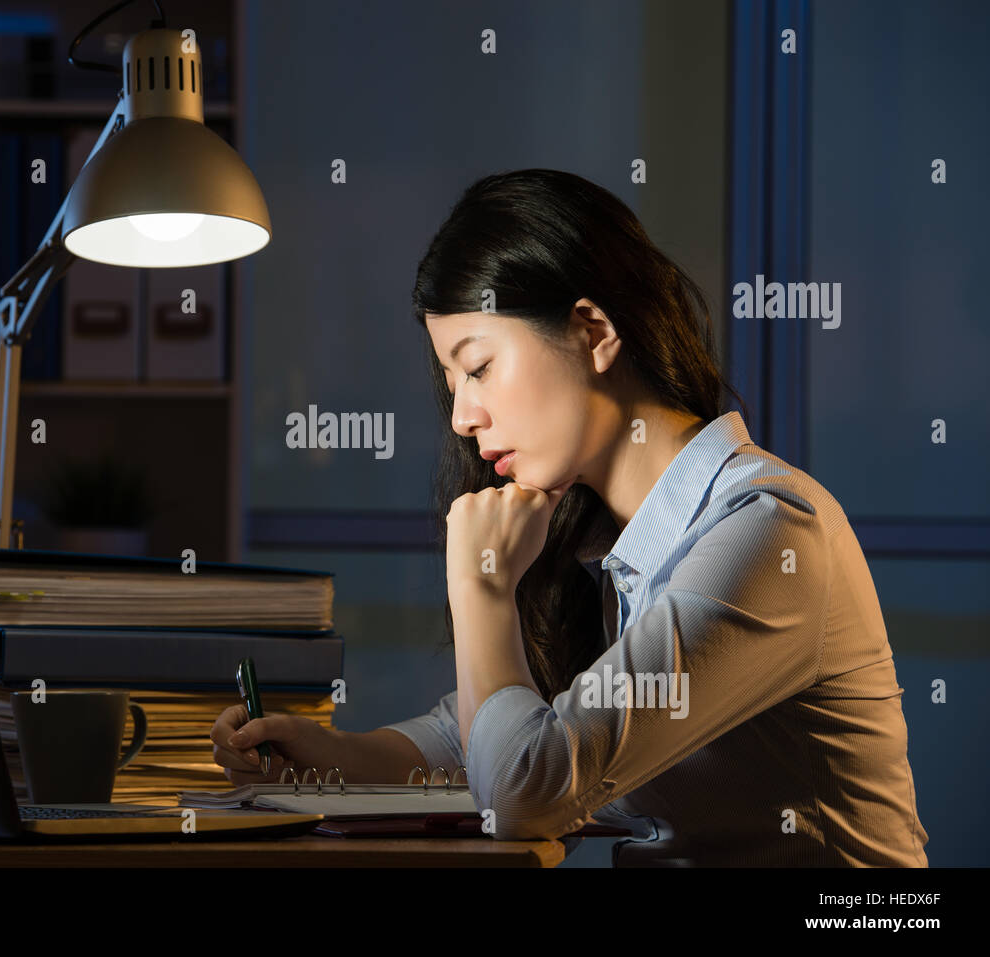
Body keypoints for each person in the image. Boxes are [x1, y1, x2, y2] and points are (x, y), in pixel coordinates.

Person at [209, 169, 928, 867]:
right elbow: (479, 738)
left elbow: (525, 790)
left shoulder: (768, 531)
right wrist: (326, 757)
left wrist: (483, 589)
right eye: (452, 381)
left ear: (593, 332)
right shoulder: (614, 540)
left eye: (479, 366)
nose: (462, 416)